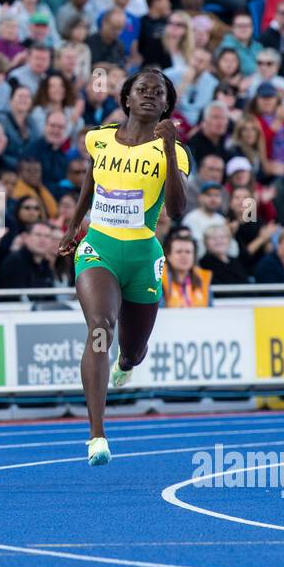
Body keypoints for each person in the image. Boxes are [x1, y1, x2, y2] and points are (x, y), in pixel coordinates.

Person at [58, 68, 189, 467]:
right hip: (98, 246)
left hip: (143, 255)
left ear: (167, 104)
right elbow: (90, 183)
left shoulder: (175, 150)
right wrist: (73, 226)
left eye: (158, 92)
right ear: (127, 98)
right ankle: (96, 435)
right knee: (100, 327)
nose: (150, 96)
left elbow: (178, 210)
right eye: (142, 90)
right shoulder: (98, 139)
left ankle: (126, 363)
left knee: (132, 350)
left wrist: (167, 150)